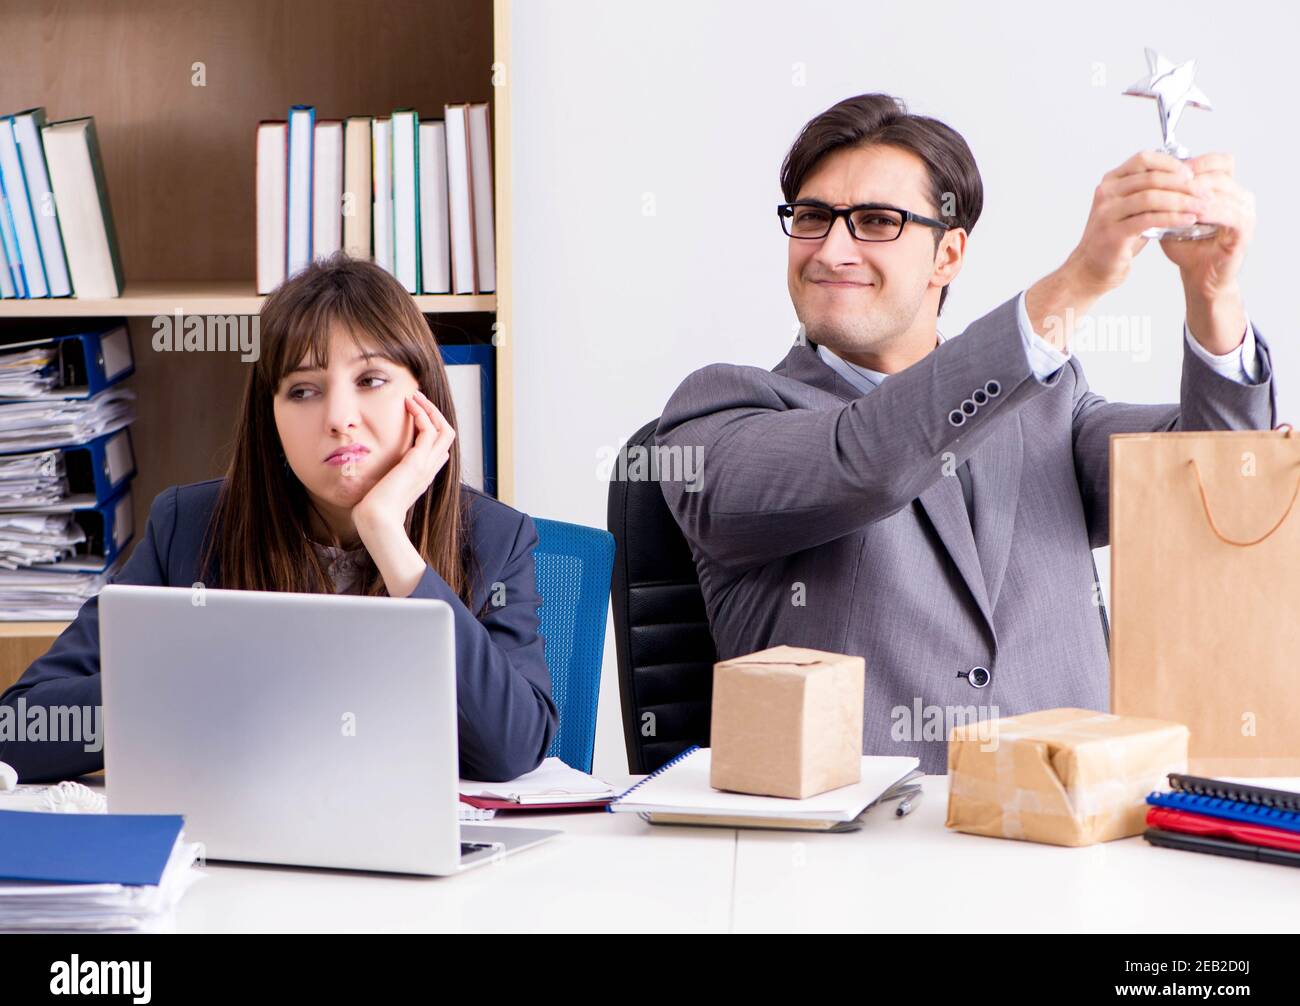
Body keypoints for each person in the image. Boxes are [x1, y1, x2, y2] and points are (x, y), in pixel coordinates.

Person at [656, 93, 1276, 775]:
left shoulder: (1048, 405)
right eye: (811, 218)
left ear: (947, 254)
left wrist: (1212, 293)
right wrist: (1078, 281)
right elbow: (866, 460)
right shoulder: (721, 412)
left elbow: (1220, 483)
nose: (832, 249)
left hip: (1075, 838)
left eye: (874, 222)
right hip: (859, 858)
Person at [0, 253, 557, 783]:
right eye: (304, 390)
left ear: (425, 396)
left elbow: (511, 748)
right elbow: (19, 729)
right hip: (233, 849)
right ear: (272, 421)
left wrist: (387, 535)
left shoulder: (494, 538)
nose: (340, 418)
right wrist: (190, 680)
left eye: (370, 381)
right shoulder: (187, 527)